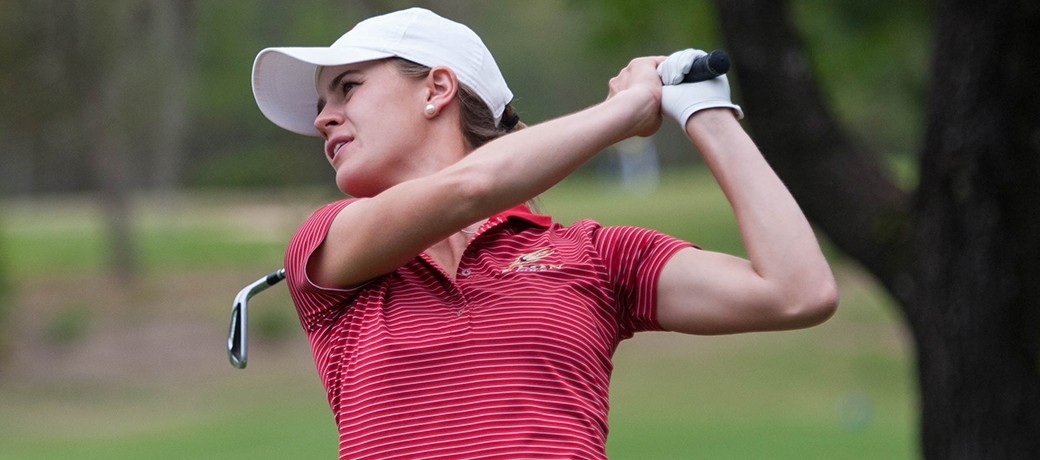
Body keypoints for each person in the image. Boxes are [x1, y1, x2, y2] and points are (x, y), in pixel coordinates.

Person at [251, 7, 837, 459]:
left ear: (437, 89)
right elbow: (470, 188)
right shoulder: (328, 246)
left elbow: (796, 291)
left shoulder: (595, 256)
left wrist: (704, 110)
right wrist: (624, 113)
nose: (322, 117)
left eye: (347, 87)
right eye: (322, 102)